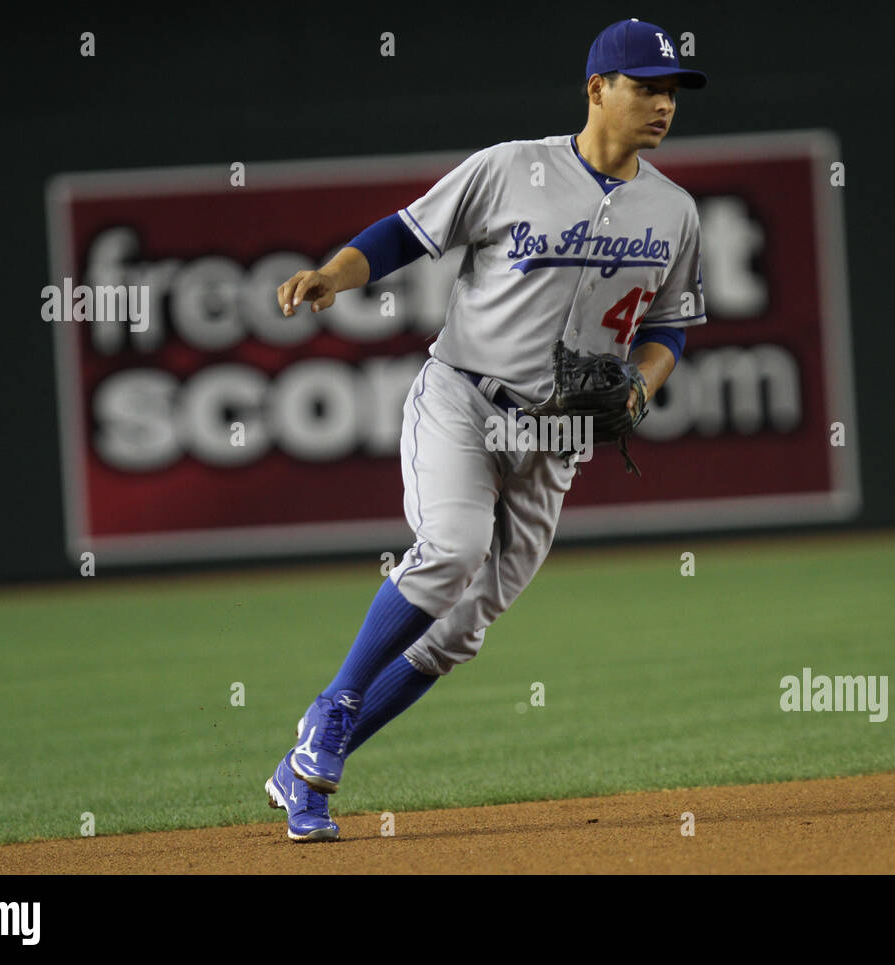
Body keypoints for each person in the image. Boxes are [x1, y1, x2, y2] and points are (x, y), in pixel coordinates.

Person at [265, 18, 707, 841]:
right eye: (645, 86)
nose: (661, 105)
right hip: (465, 402)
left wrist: (641, 391)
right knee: (452, 549)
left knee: (462, 631)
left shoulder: (675, 211)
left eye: (671, 91)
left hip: (559, 437)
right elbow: (406, 232)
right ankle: (334, 706)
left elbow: (671, 328)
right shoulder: (512, 167)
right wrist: (334, 273)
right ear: (596, 89)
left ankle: (307, 769)